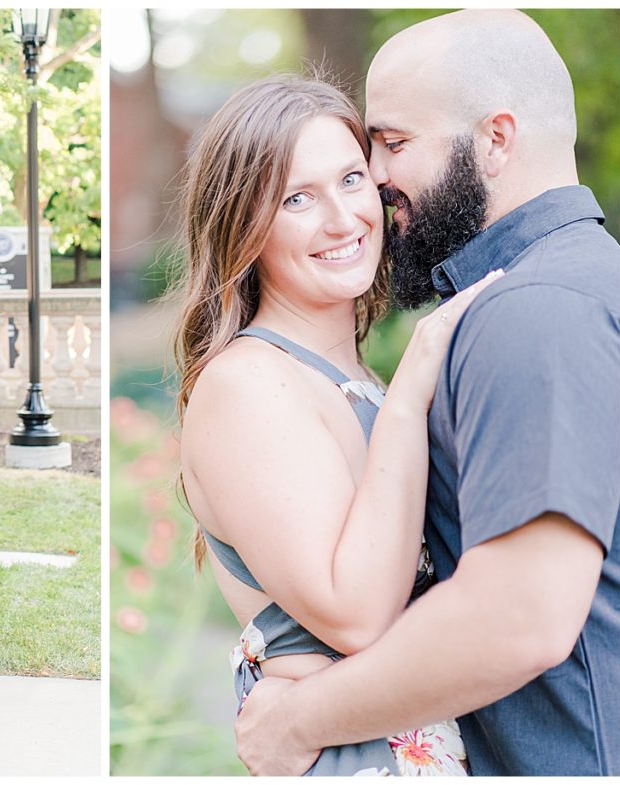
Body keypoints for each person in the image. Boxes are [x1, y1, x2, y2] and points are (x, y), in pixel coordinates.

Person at [235, 10, 620, 776]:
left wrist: (294, 722)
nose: (375, 179)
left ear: (496, 139)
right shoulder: (591, 275)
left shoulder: (531, 309)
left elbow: (519, 616)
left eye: (393, 144)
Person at [175, 74, 501, 775]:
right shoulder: (248, 382)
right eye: (297, 198)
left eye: (352, 180)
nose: (342, 218)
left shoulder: (352, 381)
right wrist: (413, 396)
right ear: (245, 228)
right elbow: (356, 614)